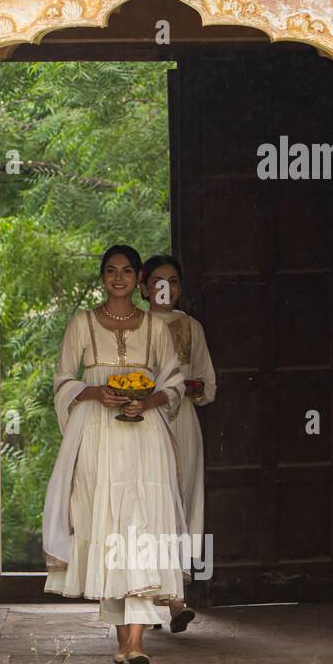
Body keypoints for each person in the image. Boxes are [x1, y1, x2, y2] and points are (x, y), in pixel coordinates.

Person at [43, 244, 187, 664]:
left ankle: (136, 641)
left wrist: (147, 401)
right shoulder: (82, 324)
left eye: (127, 271)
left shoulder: (156, 328)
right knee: (106, 520)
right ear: (102, 277)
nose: (119, 278)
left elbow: (174, 382)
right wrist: (93, 391)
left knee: (143, 521)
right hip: (97, 435)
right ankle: (122, 639)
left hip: (146, 437)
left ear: (138, 277)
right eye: (111, 271)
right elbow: (62, 380)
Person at [141, 254, 217, 633]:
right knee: (148, 505)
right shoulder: (132, 327)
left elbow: (207, 384)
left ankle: (175, 600)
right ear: (143, 287)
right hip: (141, 422)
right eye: (157, 280)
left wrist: (190, 388)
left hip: (182, 422)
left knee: (182, 502)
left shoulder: (192, 328)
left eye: (172, 281)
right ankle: (152, 598)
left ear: (180, 288)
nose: (164, 288)